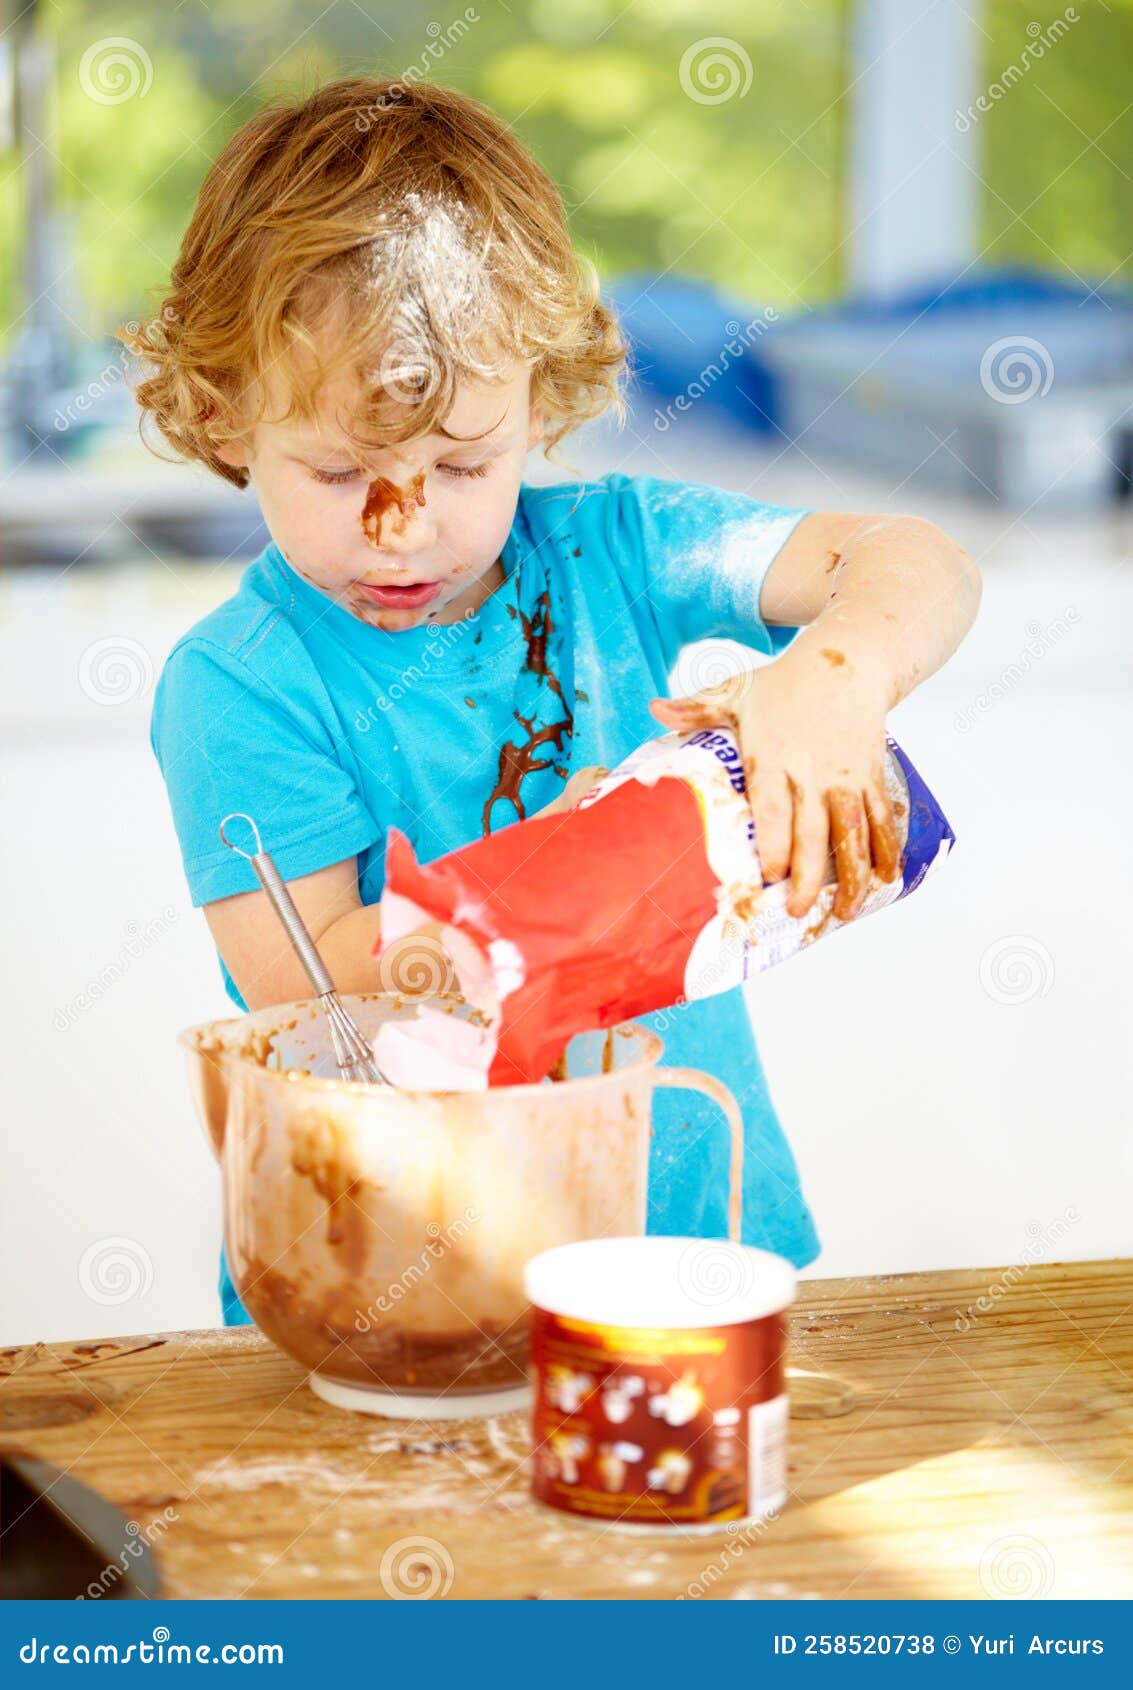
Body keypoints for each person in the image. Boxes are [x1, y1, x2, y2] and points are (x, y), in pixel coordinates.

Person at [130, 79, 980, 1323]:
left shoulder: (612, 552)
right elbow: (320, 1001)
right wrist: (574, 870)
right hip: (394, 1276)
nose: (401, 525)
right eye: (337, 470)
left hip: (684, 1235)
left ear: (542, 401)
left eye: (463, 463)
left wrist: (828, 680)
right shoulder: (241, 684)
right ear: (222, 416)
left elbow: (924, 563)